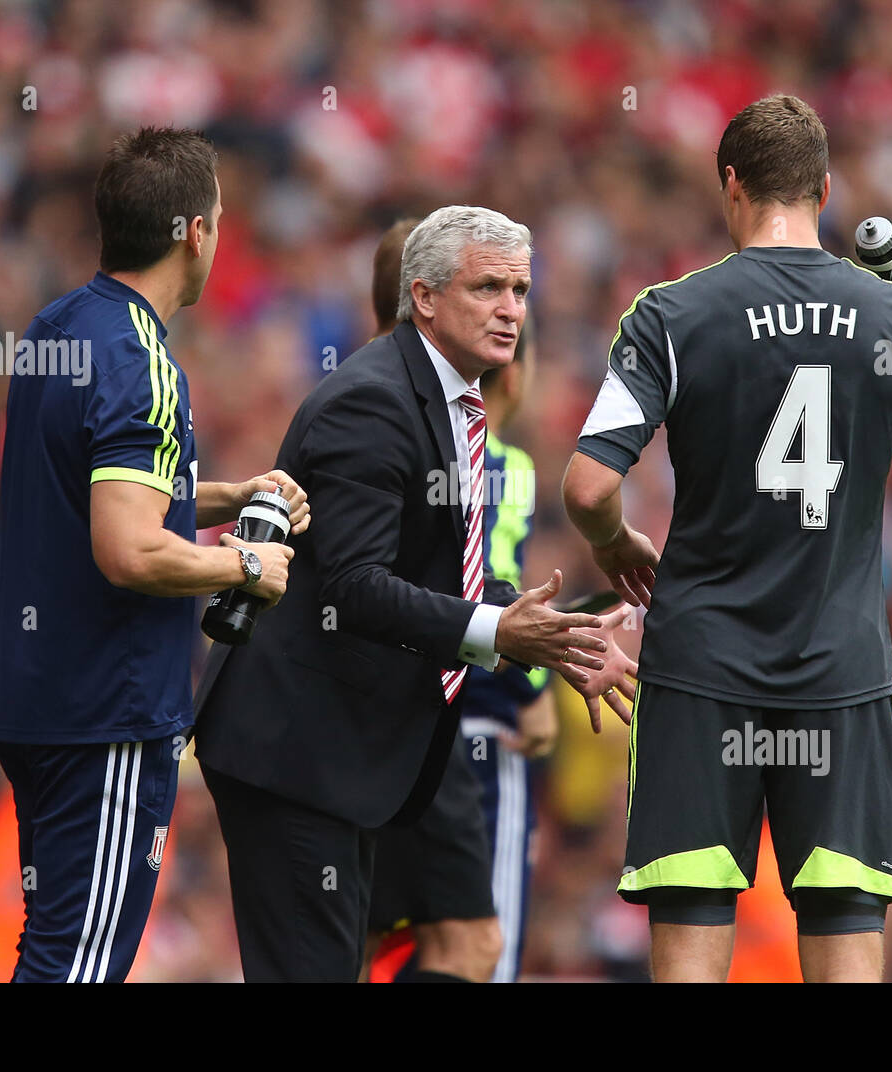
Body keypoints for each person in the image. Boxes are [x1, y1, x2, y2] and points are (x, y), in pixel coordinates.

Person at [563, 94, 892, 983]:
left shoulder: (670, 314)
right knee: (844, 937)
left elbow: (586, 486)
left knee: (693, 931)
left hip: (700, 672)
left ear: (730, 186)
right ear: (826, 190)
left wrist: (613, 541)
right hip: (838, 675)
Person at [194, 205, 635, 983]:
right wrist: (499, 632)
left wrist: (559, 634)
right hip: (297, 751)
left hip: (349, 752)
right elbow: (355, 588)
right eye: (489, 287)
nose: (511, 310)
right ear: (424, 297)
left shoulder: (444, 397)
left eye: (522, 291)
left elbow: (443, 571)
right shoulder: (375, 403)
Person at [0, 127, 307, 983]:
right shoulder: (141, 357)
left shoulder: (56, 328)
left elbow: (96, 497)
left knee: (55, 949)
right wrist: (246, 566)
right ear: (193, 233)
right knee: (79, 967)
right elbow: (126, 548)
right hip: (109, 712)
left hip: (38, 700)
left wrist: (228, 497)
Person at [365, 220, 557, 983]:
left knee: (368, 932)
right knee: (482, 946)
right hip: (474, 717)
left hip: (373, 716)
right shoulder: (492, 461)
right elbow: (483, 583)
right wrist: (532, 686)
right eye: (492, 293)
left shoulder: (367, 409)